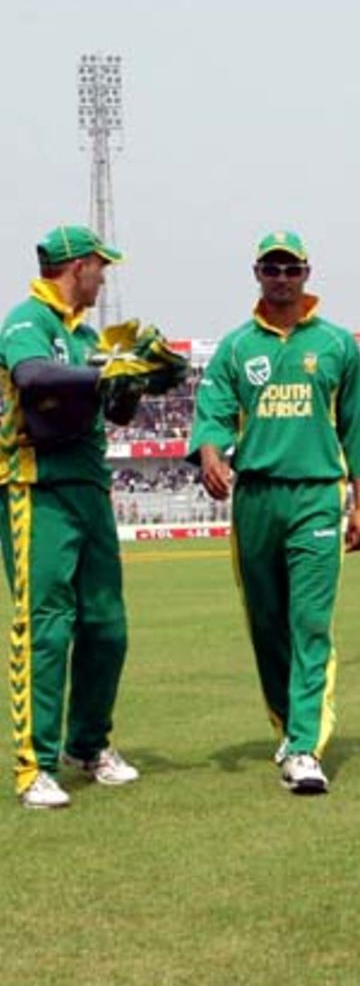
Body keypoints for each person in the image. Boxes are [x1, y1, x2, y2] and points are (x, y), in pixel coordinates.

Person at [189, 230, 360, 794]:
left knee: (310, 622)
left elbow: (357, 431)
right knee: (268, 624)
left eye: (291, 268)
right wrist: (209, 454)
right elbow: (214, 411)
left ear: (307, 273)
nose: (281, 277)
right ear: (257, 274)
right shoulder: (236, 347)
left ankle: (304, 747)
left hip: (317, 494)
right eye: (271, 268)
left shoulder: (338, 345)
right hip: (256, 499)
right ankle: (286, 723)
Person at [0, 225, 141, 809]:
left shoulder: (85, 337)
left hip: (89, 488)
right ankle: (35, 764)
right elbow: (32, 378)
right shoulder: (28, 320)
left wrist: (138, 379)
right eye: (99, 267)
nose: (103, 278)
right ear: (77, 265)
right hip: (39, 487)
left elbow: (119, 413)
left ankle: (90, 744)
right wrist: (103, 373)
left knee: (107, 625)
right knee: (47, 624)